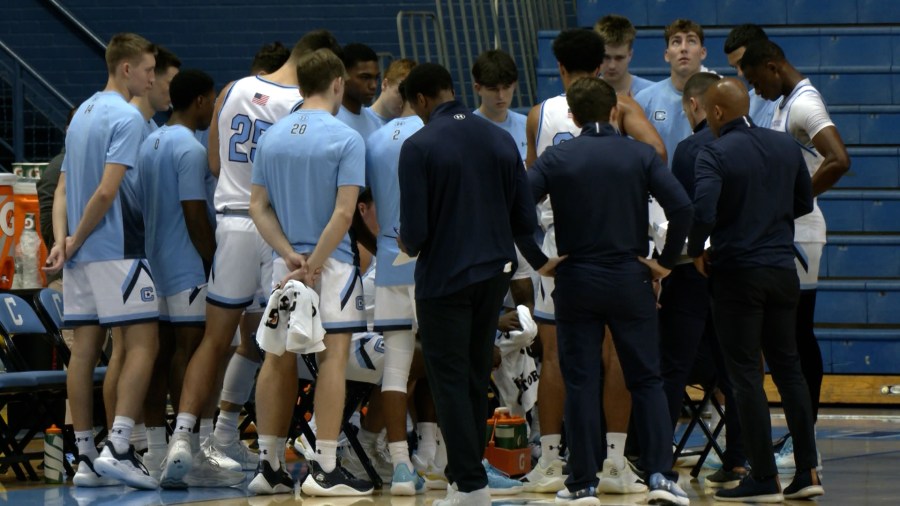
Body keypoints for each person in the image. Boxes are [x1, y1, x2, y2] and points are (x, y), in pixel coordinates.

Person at [160, 30, 341, 488]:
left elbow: (216, 164)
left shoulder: (234, 88)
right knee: (273, 348)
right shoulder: (302, 106)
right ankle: (269, 454)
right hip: (277, 228)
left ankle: (185, 436)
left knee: (215, 340)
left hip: (233, 221)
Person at [528, 76, 692, 506]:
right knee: (647, 379)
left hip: (576, 279)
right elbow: (683, 207)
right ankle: (659, 474)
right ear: (615, 112)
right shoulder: (640, 154)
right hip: (630, 278)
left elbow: (516, 204)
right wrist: (666, 262)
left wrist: (537, 259)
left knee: (580, 381)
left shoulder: (556, 157)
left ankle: (581, 483)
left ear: (574, 116)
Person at [397, 62, 550, 506]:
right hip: (494, 275)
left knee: (447, 378)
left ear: (422, 100)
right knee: (473, 373)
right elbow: (525, 219)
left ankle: (468, 484)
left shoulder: (419, 144)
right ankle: (470, 478)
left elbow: (418, 233)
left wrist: (405, 239)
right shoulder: (501, 137)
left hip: (444, 277)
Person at [688, 77, 823, 502]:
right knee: (790, 372)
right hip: (784, 273)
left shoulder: (714, 150)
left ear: (717, 112)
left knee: (746, 376)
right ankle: (808, 473)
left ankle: (763, 476)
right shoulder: (784, 145)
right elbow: (803, 202)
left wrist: (696, 250)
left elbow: (704, 209)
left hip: (737, 275)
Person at [247, 48, 373, 497]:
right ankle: (325, 468)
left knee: (277, 359)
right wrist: (314, 265)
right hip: (330, 266)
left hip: (282, 267)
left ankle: (268, 465)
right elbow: (343, 214)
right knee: (332, 360)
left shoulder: (273, 136)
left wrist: (290, 257)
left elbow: (257, 206)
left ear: (300, 87)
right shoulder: (346, 138)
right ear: (337, 83)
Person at [44, 33, 159, 490]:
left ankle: (87, 457)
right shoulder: (127, 117)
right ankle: (121, 446)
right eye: (148, 70)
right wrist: (78, 237)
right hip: (117, 251)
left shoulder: (82, 114)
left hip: (80, 256)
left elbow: (64, 191)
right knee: (144, 344)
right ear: (126, 69)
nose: (152, 78)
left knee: (83, 352)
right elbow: (107, 192)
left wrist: (63, 241)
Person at [741, 39, 851, 471]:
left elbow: (839, 159)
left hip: (800, 235)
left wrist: (792, 201)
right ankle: (800, 439)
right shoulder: (783, 101)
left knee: (796, 338)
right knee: (787, 338)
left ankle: (807, 443)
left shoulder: (804, 103)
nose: (756, 91)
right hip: (786, 232)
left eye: (756, 81)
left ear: (772, 66)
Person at [136, 69, 241, 486]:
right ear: (199, 101)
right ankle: (191, 450)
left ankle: (159, 449)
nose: (213, 109)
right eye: (212, 102)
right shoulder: (192, 150)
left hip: (154, 264)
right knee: (190, 352)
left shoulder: (150, 142)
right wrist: (214, 259)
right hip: (186, 266)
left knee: (160, 355)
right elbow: (194, 212)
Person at [665, 72, 748, 488]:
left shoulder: (688, 149)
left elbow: (683, 212)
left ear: (694, 106)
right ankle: (738, 460)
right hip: (738, 267)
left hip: (693, 265)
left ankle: (658, 461)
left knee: (674, 363)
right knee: (736, 369)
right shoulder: (754, 145)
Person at [365, 64, 427, 495]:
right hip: (429, 262)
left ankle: (402, 466)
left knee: (396, 368)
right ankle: (448, 461)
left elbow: (363, 203)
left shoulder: (373, 139)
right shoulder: (430, 132)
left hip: (388, 260)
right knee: (447, 362)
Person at [634, 18, 708, 165]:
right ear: (667, 55)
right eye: (676, 42)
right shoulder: (645, 99)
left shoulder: (717, 97)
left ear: (702, 53)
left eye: (691, 41)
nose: (683, 48)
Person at [471, 49, 528, 159]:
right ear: (478, 89)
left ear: (514, 86)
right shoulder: (468, 130)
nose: (501, 96)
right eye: (493, 89)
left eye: (506, 88)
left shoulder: (526, 125)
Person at [723, 24, 776, 128]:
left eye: (742, 62)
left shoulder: (799, 101)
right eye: (735, 67)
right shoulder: (745, 105)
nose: (740, 73)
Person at [594, 14, 655, 96]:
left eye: (619, 58)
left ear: (630, 55)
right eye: (606, 57)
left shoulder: (653, 93)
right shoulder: (582, 96)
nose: (612, 66)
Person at [336, 43, 382, 139]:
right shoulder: (330, 120)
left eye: (376, 78)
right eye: (365, 77)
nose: (373, 85)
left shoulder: (375, 123)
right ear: (343, 75)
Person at [369, 58, 416, 124]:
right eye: (401, 92)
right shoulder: (361, 119)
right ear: (385, 84)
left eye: (409, 96)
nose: (404, 102)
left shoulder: (411, 124)